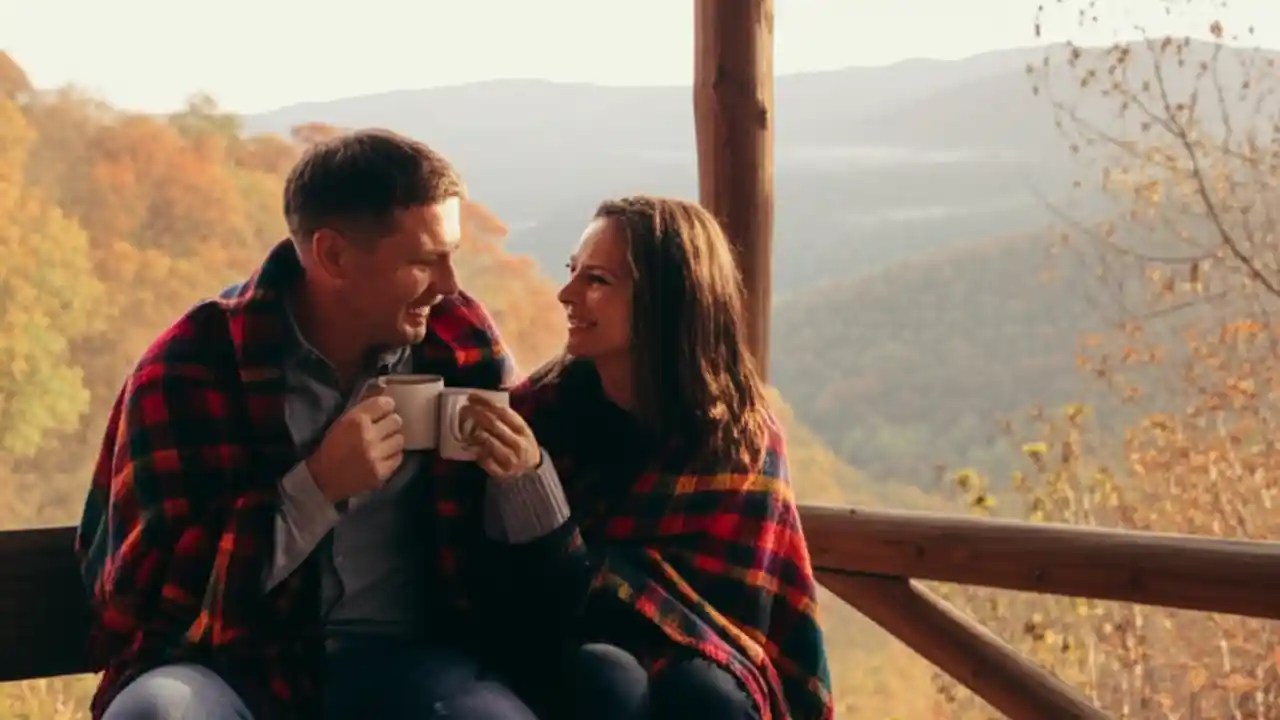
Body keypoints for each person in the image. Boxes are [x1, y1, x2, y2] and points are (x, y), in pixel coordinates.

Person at [74, 129, 550, 719]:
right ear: (333, 256)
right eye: (423, 261)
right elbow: (147, 599)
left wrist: (524, 474)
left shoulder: (461, 346)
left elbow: (526, 554)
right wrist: (316, 488)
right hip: (232, 666)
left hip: (413, 665)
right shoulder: (193, 365)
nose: (451, 284)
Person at [458, 196, 835, 719]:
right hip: (555, 638)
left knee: (710, 696)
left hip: (695, 644)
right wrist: (529, 484)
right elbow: (517, 596)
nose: (566, 293)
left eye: (598, 281)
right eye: (573, 272)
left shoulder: (740, 437)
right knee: (607, 679)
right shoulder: (535, 417)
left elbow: (731, 620)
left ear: (666, 300)